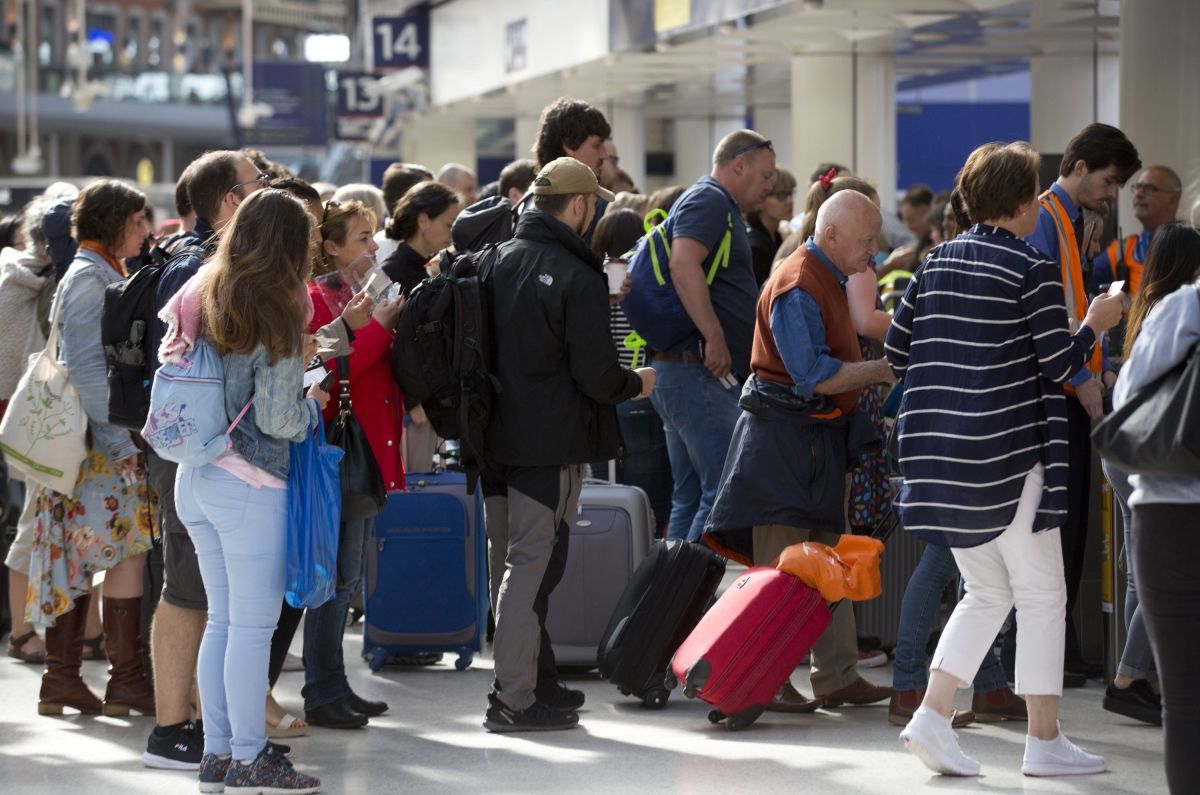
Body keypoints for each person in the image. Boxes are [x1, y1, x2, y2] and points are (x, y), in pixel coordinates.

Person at [889, 141, 1124, 778]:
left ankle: (933, 717)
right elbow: (1062, 363)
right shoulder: (1031, 266)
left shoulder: (932, 263)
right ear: (1025, 203)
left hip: (942, 457)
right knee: (1042, 593)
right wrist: (1096, 322)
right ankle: (1043, 742)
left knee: (987, 591)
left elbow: (896, 347)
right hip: (1011, 455)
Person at [704, 189, 895, 714]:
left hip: (814, 443)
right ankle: (764, 677)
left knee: (830, 560)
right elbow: (811, 376)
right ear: (831, 236)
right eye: (866, 240)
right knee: (781, 569)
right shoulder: (797, 283)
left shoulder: (824, 274)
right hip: (782, 444)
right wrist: (880, 371)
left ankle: (836, 676)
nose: (874, 252)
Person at [482, 157, 654, 733]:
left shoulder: (496, 258)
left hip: (493, 442)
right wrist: (638, 383)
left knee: (506, 566)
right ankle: (513, 698)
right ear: (579, 205)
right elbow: (598, 376)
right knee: (528, 570)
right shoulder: (576, 275)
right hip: (548, 444)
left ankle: (520, 684)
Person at [171, 188, 325, 793]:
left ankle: (219, 753)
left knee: (223, 623)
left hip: (198, 471)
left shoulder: (209, 289)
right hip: (250, 482)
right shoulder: (280, 308)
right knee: (252, 630)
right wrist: (312, 406)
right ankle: (251, 753)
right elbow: (281, 419)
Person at [143, 149, 270, 769]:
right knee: (189, 592)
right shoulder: (202, 268)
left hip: (192, 448)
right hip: (200, 453)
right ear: (230, 200)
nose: (265, 192)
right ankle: (173, 730)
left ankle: (197, 722)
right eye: (257, 185)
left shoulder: (185, 263)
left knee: (203, 596)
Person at [28, 179, 159, 718]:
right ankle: (117, 683)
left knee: (91, 557)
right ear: (112, 224)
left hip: (91, 443)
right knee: (119, 555)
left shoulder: (93, 272)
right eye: (135, 221)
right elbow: (86, 368)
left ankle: (70, 680)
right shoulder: (89, 278)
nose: (145, 230)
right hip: (99, 446)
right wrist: (118, 440)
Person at [1024, 123, 1141, 684]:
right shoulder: (1047, 221)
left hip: (1070, 389)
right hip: (1057, 395)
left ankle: (1062, 648)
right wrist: (1080, 370)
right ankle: (1055, 652)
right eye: (1111, 180)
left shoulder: (1069, 223)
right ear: (1078, 167)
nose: (1114, 194)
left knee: (1069, 531)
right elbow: (1049, 317)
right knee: (1059, 531)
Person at [303, 199, 404, 730]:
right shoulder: (320, 298)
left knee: (347, 577)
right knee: (336, 578)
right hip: (342, 452)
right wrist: (380, 327)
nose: (371, 246)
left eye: (372, 235)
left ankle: (333, 684)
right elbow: (334, 372)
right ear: (332, 246)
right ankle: (322, 689)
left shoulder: (356, 292)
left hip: (366, 448)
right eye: (361, 237)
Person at [647, 130, 773, 543]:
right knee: (721, 492)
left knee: (690, 495)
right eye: (765, 175)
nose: (769, 186)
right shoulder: (710, 200)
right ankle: (687, 597)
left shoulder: (712, 201)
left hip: (682, 372)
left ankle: (669, 600)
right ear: (740, 164)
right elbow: (684, 264)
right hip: (697, 374)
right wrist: (714, 337)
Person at [1100, 224, 1200, 726]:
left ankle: (1145, 678)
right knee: (1163, 574)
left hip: (1131, 452)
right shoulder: (1180, 310)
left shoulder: (1153, 309)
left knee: (1145, 573)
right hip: (1153, 456)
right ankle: (1127, 678)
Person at [1, 194, 61, 665]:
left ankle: (35, 632)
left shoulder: (18, 277)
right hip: (42, 416)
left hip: (30, 412)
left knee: (34, 521)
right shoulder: (43, 283)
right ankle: (22, 632)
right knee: (29, 524)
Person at [589, 208, 672, 533]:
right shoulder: (646, 280)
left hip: (603, 396)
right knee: (648, 499)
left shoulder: (590, 283)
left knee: (604, 493)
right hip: (641, 391)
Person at [1092, 165, 1182, 294]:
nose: (1139, 194)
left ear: (1173, 200)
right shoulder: (1120, 252)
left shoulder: (1192, 246)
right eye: (1138, 187)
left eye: (1150, 189)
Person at [380, 181, 462, 297]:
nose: (453, 232)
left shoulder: (433, 266)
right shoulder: (390, 273)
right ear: (423, 221)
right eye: (449, 225)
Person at [747, 167, 796, 286]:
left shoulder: (776, 236)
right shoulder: (756, 246)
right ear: (761, 199)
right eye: (781, 195)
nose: (790, 201)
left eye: (791, 193)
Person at [376, 162, 433, 261]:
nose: (437, 200)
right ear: (404, 199)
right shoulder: (379, 247)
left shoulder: (435, 241)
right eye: (428, 194)